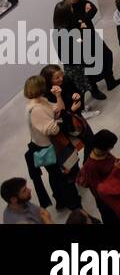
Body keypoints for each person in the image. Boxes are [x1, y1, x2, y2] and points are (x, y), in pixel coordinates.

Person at [24, 74, 83, 211]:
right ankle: (71, 203)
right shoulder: (36, 109)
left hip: (52, 146)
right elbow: (53, 129)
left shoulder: (41, 101)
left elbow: (58, 110)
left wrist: (58, 96)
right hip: (49, 147)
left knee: (57, 175)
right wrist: (68, 115)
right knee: (60, 176)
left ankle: (62, 200)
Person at [59, 0, 120, 96]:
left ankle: (110, 80)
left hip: (90, 35)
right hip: (80, 42)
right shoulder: (63, 10)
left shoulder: (78, 1)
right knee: (89, 65)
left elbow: (93, 8)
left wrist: (83, 18)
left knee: (106, 55)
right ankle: (94, 90)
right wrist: (83, 19)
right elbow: (69, 29)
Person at [76, 130, 120, 224]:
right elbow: (99, 190)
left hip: (117, 190)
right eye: (111, 146)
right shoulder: (91, 166)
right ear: (104, 147)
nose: (111, 148)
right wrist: (115, 169)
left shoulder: (103, 153)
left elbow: (112, 162)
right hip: (108, 202)